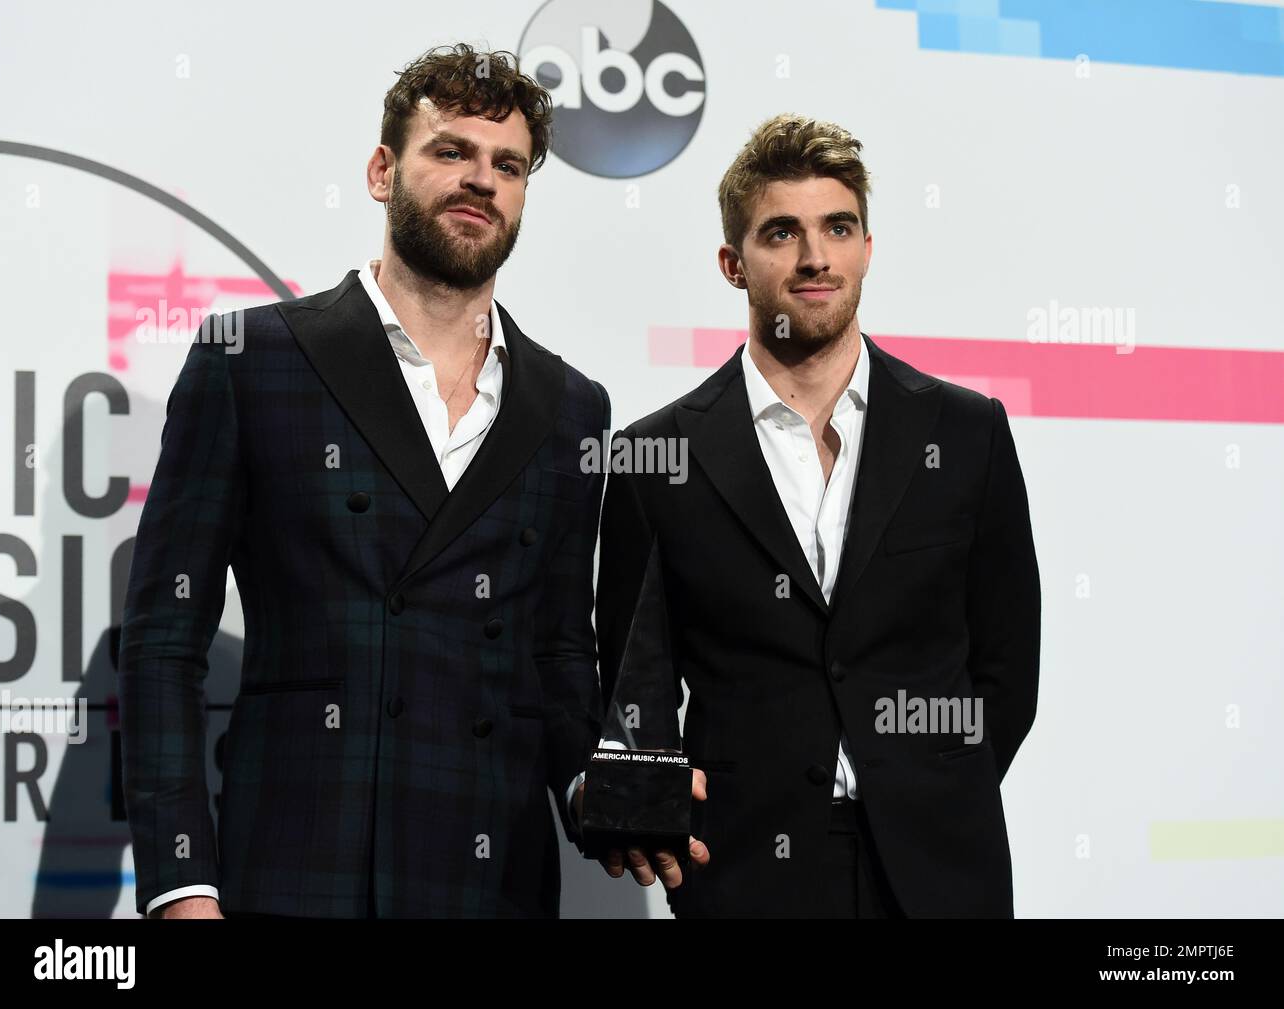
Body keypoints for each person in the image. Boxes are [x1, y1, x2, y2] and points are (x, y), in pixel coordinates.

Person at [118, 44, 607, 918]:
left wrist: (599, 796)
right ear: (383, 172)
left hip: (491, 881)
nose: (481, 180)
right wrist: (181, 886)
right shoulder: (254, 360)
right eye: (450, 151)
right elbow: (161, 646)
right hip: (301, 868)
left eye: (508, 164)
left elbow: (559, 657)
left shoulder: (572, 408)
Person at [592, 114, 1040, 917]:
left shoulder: (966, 432)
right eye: (782, 232)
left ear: (868, 247)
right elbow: (633, 683)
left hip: (942, 872)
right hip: (743, 877)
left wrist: (934, 788)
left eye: (838, 227)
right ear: (733, 263)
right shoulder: (654, 456)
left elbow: (1009, 670)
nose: (814, 257)